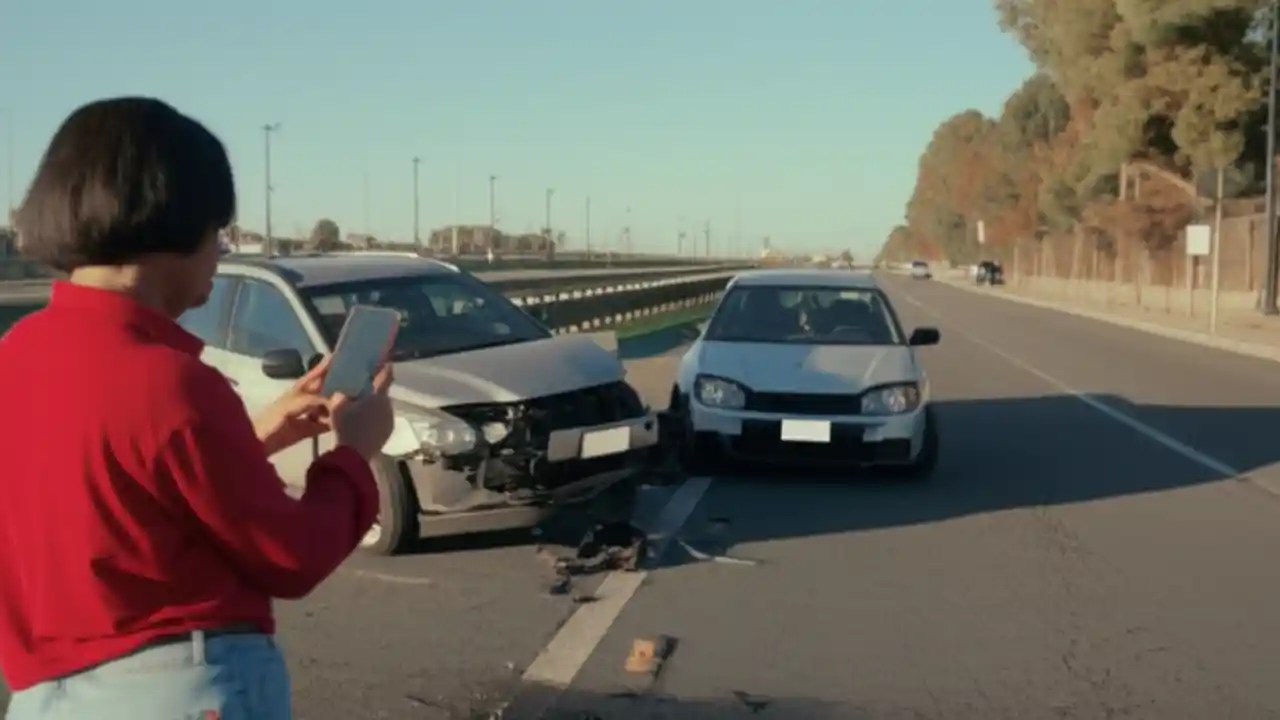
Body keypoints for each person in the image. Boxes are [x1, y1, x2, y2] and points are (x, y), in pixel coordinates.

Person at [0, 97, 394, 719]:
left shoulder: (15, 356)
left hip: (45, 697)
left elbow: (111, 490)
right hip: (177, 688)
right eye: (217, 232)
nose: (220, 251)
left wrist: (256, 435)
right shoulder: (169, 381)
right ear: (172, 224)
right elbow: (290, 556)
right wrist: (354, 453)